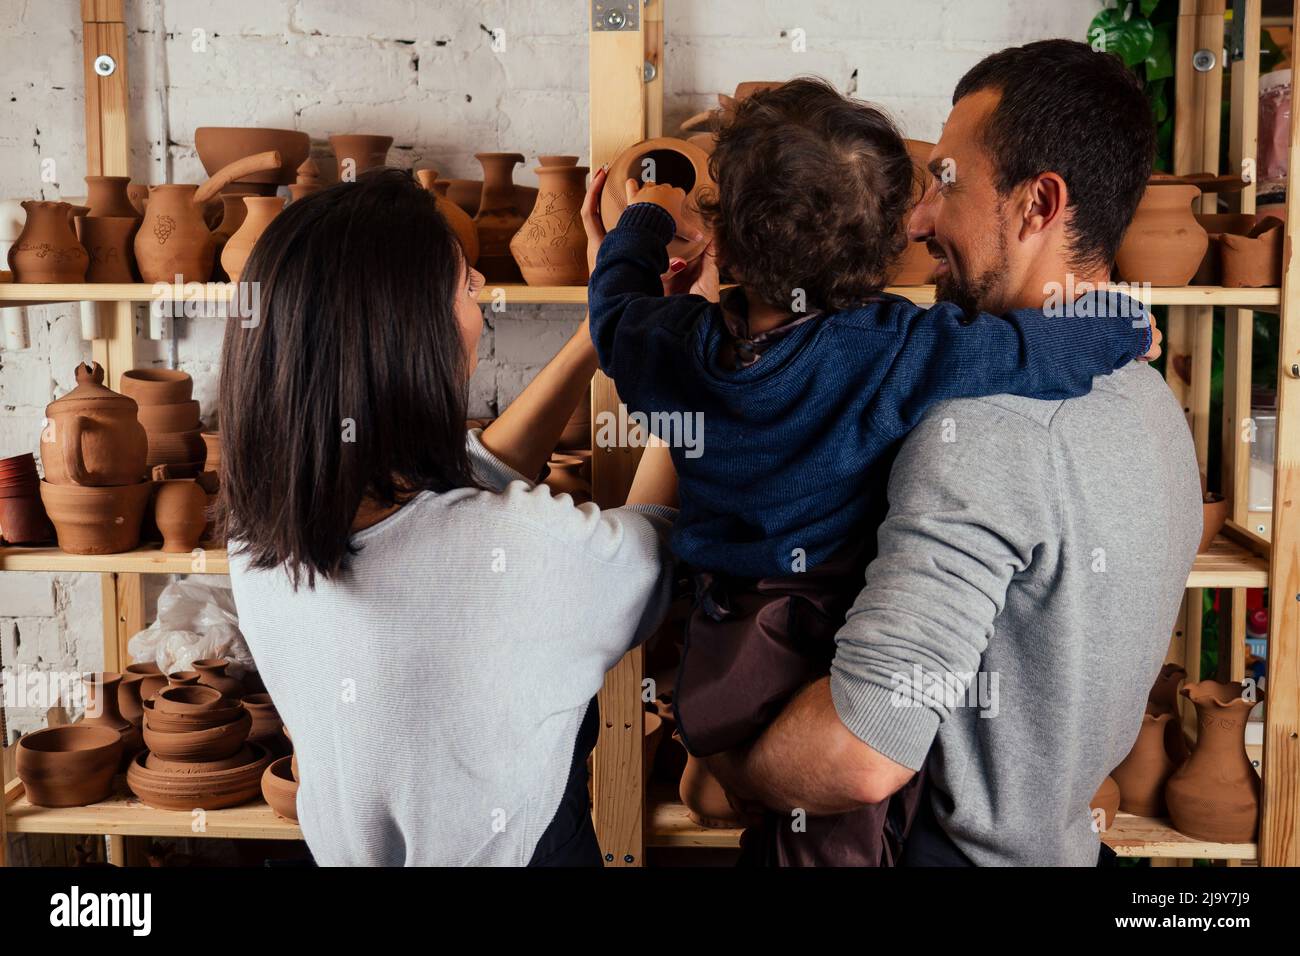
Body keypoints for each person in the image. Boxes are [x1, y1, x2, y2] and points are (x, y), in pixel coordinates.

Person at [585, 76, 1160, 865]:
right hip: (825, 621)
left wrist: (645, 218)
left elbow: (613, 308)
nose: (927, 215)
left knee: (772, 799)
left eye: (947, 183)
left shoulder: (671, 343)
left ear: (724, 233)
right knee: (834, 833)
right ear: (883, 238)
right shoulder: (901, 349)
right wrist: (1119, 323)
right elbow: (1034, 350)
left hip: (723, 633)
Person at [218, 168, 680, 866]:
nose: (482, 307)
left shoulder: (261, 531)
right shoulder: (513, 547)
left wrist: (601, 330)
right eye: (467, 287)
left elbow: (460, 487)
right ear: (409, 335)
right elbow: (648, 546)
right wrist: (683, 354)